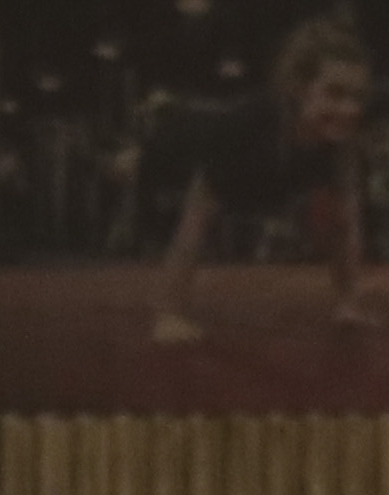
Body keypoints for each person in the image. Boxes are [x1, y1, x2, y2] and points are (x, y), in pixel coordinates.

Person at [148, 16, 371, 343]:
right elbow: (195, 219)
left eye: (357, 96)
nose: (349, 109)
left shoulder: (340, 142)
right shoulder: (247, 128)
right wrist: (169, 315)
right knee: (190, 215)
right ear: (298, 87)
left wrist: (349, 304)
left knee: (337, 214)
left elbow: (347, 221)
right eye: (335, 93)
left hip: (258, 170)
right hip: (177, 144)